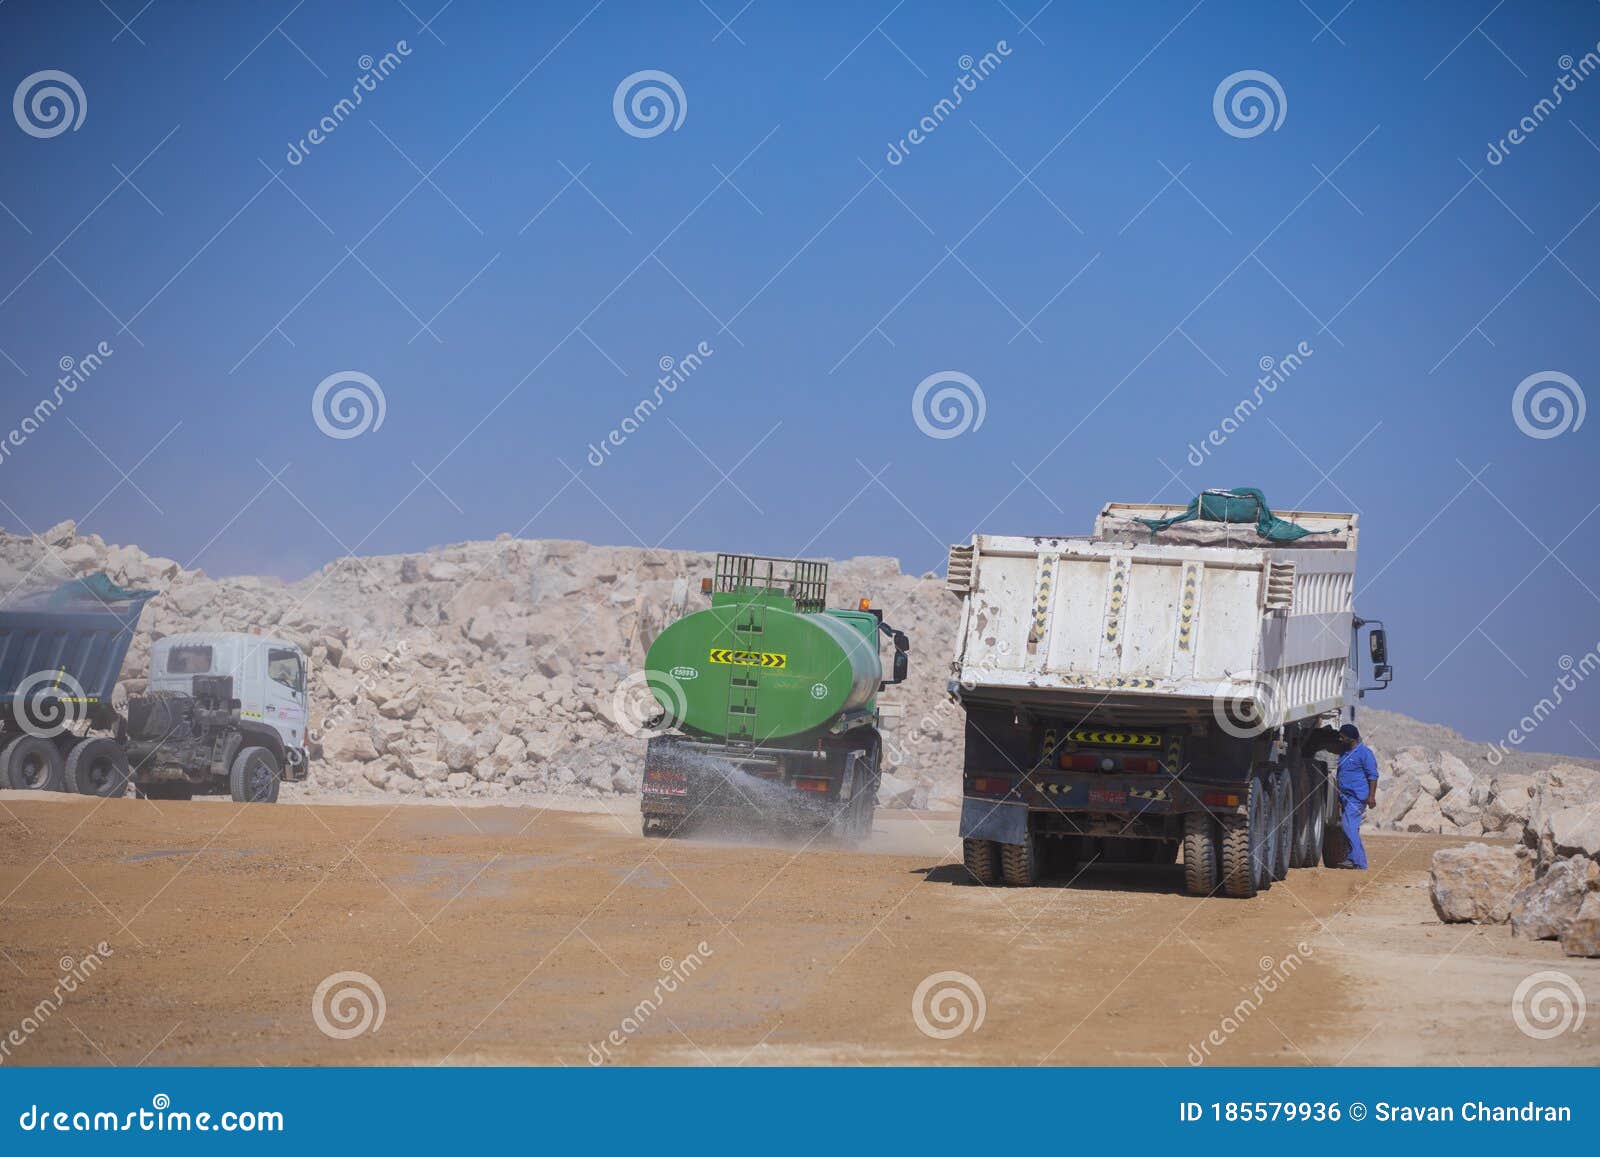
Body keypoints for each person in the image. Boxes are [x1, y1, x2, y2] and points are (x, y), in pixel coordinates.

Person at [1334, 722, 1378, 869]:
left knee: (1348, 826)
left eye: (1343, 737)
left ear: (1351, 738)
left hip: (1357, 797)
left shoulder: (1364, 753)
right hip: (1345, 796)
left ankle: (1359, 862)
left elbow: (1373, 776)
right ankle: (1352, 858)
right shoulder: (1345, 753)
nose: (1340, 739)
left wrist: (1371, 796)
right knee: (1352, 828)